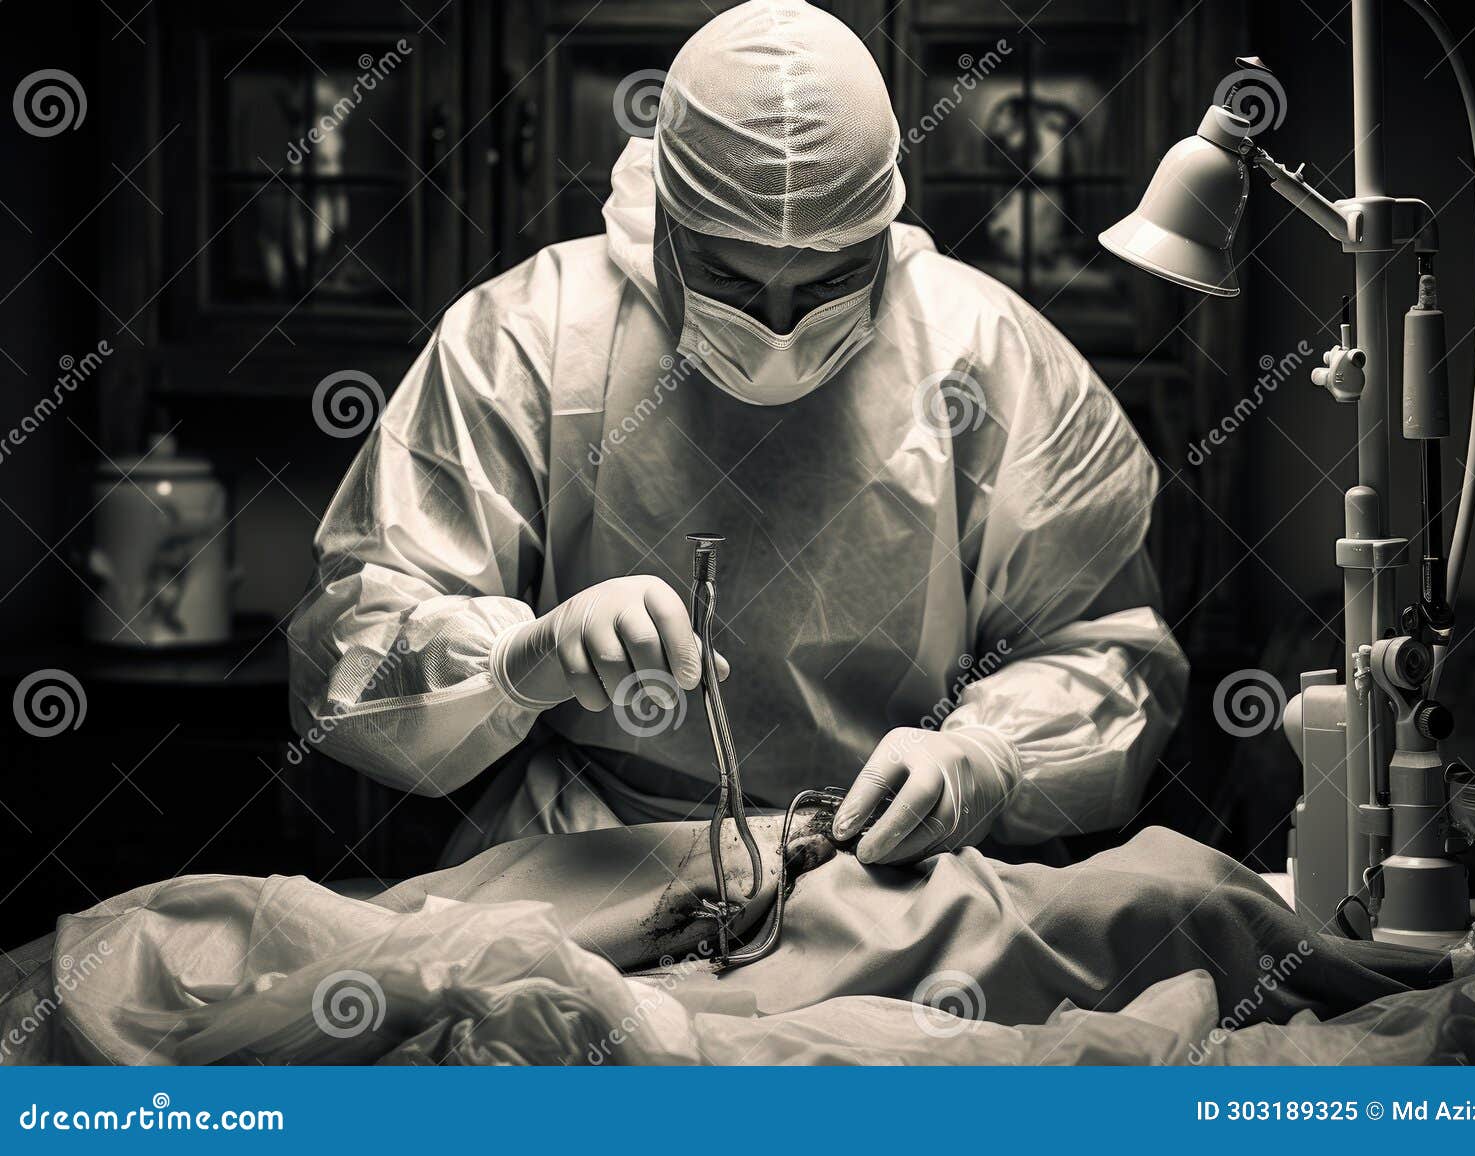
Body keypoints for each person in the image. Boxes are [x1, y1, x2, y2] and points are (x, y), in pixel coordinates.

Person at [288, 0, 1188, 867]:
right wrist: (517, 662)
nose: (782, 331)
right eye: (734, 285)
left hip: (889, 862)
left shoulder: (984, 354)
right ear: (667, 226)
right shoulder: (526, 338)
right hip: (596, 856)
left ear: (881, 232)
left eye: (830, 285)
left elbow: (1107, 648)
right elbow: (353, 664)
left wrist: (987, 758)